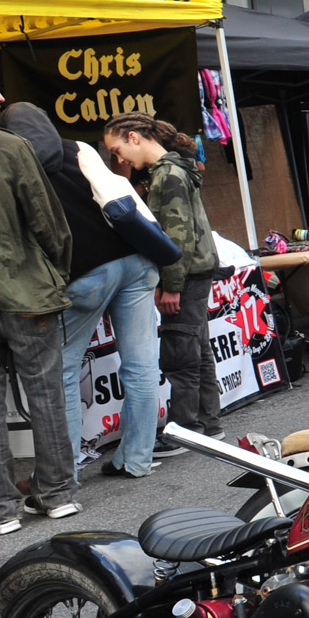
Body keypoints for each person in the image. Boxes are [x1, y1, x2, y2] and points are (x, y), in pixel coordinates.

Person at [112, 112, 224, 452]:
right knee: (197, 348)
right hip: (195, 270)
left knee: (181, 354)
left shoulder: (169, 174)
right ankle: (206, 423)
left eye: (118, 149)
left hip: (186, 275)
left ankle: (186, 429)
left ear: (134, 137)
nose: (119, 159)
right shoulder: (171, 170)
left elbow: (177, 236)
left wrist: (171, 285)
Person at [0, 109, 75, 522]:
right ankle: (56, 491)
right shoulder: (12, 147)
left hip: (23, 287)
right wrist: (56, 275)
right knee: (45, 394)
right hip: (25, 288)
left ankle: (1, 508)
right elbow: (50, 224)